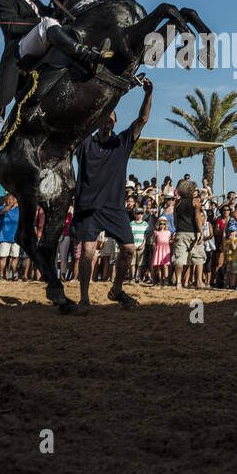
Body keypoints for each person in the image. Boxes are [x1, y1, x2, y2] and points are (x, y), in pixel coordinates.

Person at [72, 76, 153, 310]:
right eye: (104, 118)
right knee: (87, 252)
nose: (108, 121)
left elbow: (143, 119)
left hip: (115, 208)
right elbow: (76, 119)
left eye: (111, 119)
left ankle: (117, 290)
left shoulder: (122, 143)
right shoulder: (85, 143)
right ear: (97, 122)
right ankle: (85, 299)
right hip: (88, 207)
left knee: (128, 250)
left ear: (115, 124)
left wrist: (148, 94)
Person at [0, 0, 111, 117]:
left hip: (42, 38)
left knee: (62, 26)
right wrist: (41, 20)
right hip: (20, 48)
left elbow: (57, 18)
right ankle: (85, 55)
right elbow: (11, 26)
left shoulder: (34, 2)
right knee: (47, 23)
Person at [171, 178, 206, 289]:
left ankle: (178, 283)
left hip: (181, 232)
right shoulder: (195, 201)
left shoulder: (177, 202)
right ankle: (199, 282)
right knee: (199, 257)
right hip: (194, 232)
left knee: (179, 258)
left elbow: (175, 221)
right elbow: (197, 218)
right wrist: (201, 232)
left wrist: (178, 230)